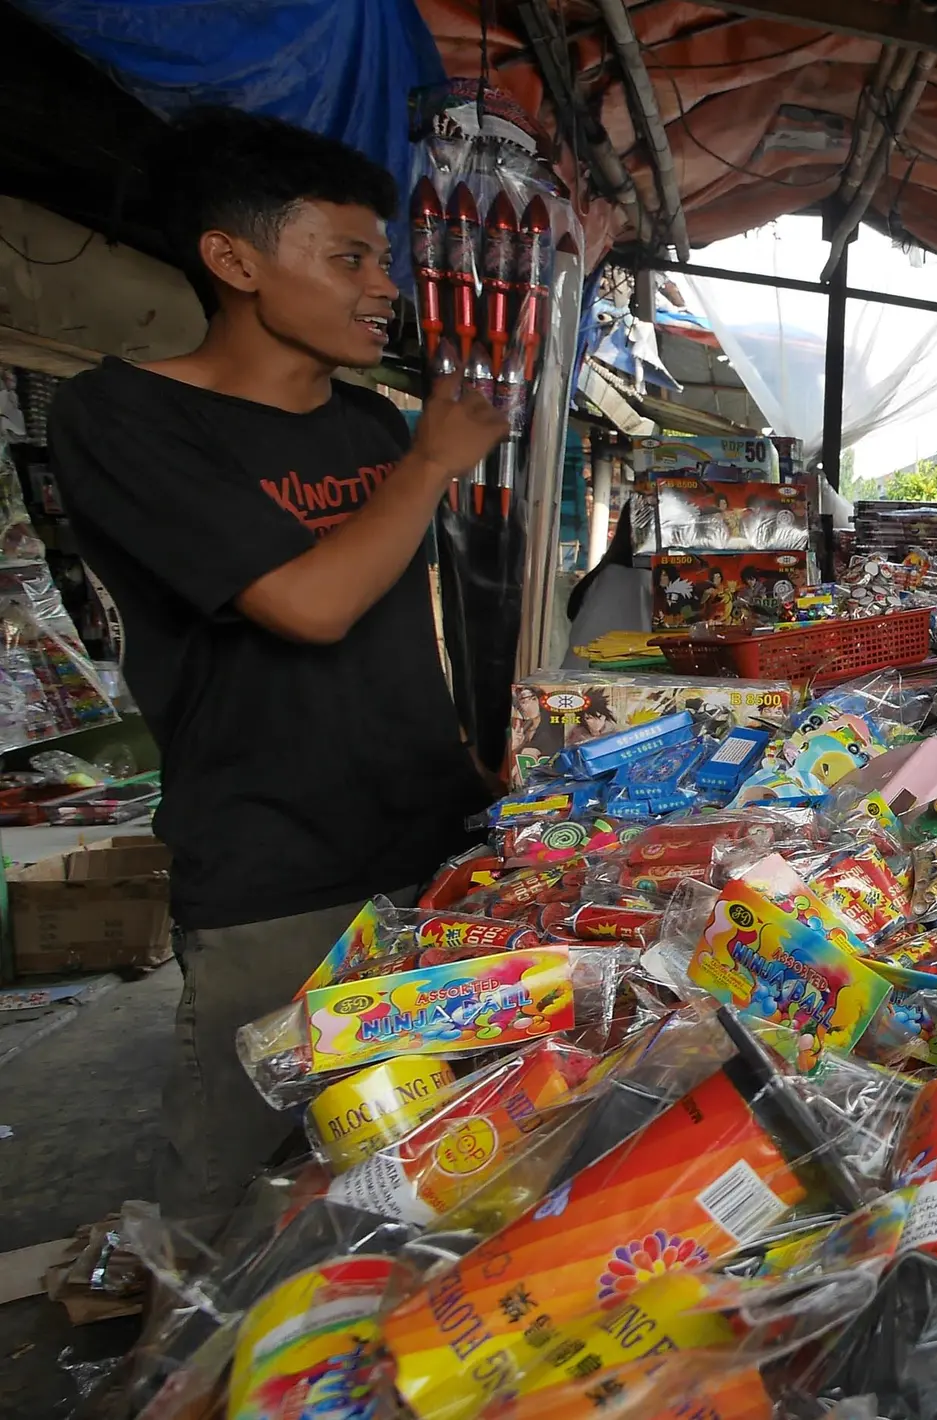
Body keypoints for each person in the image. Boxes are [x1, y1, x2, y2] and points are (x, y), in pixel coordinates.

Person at [50, 108, 505, 1222]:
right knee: (238, 1187)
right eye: (347, 256)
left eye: (382, 260)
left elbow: (423, 619)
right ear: (233, 258)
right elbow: (307, 604)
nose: (380, 287)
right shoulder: (124, 414)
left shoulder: (364, 423)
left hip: (432, 841)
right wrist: (433, 462)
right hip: (275, 869)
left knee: (422, 1162)